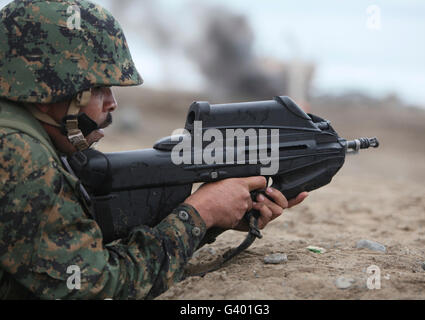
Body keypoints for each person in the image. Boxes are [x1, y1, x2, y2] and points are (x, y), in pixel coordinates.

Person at [0, 0, 308, 299]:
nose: (112, 102)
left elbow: (70, 244)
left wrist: (211, 220)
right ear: (47, 90)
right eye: (97, 88)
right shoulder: (19, 154)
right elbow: (98, 289)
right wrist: (199, 214)